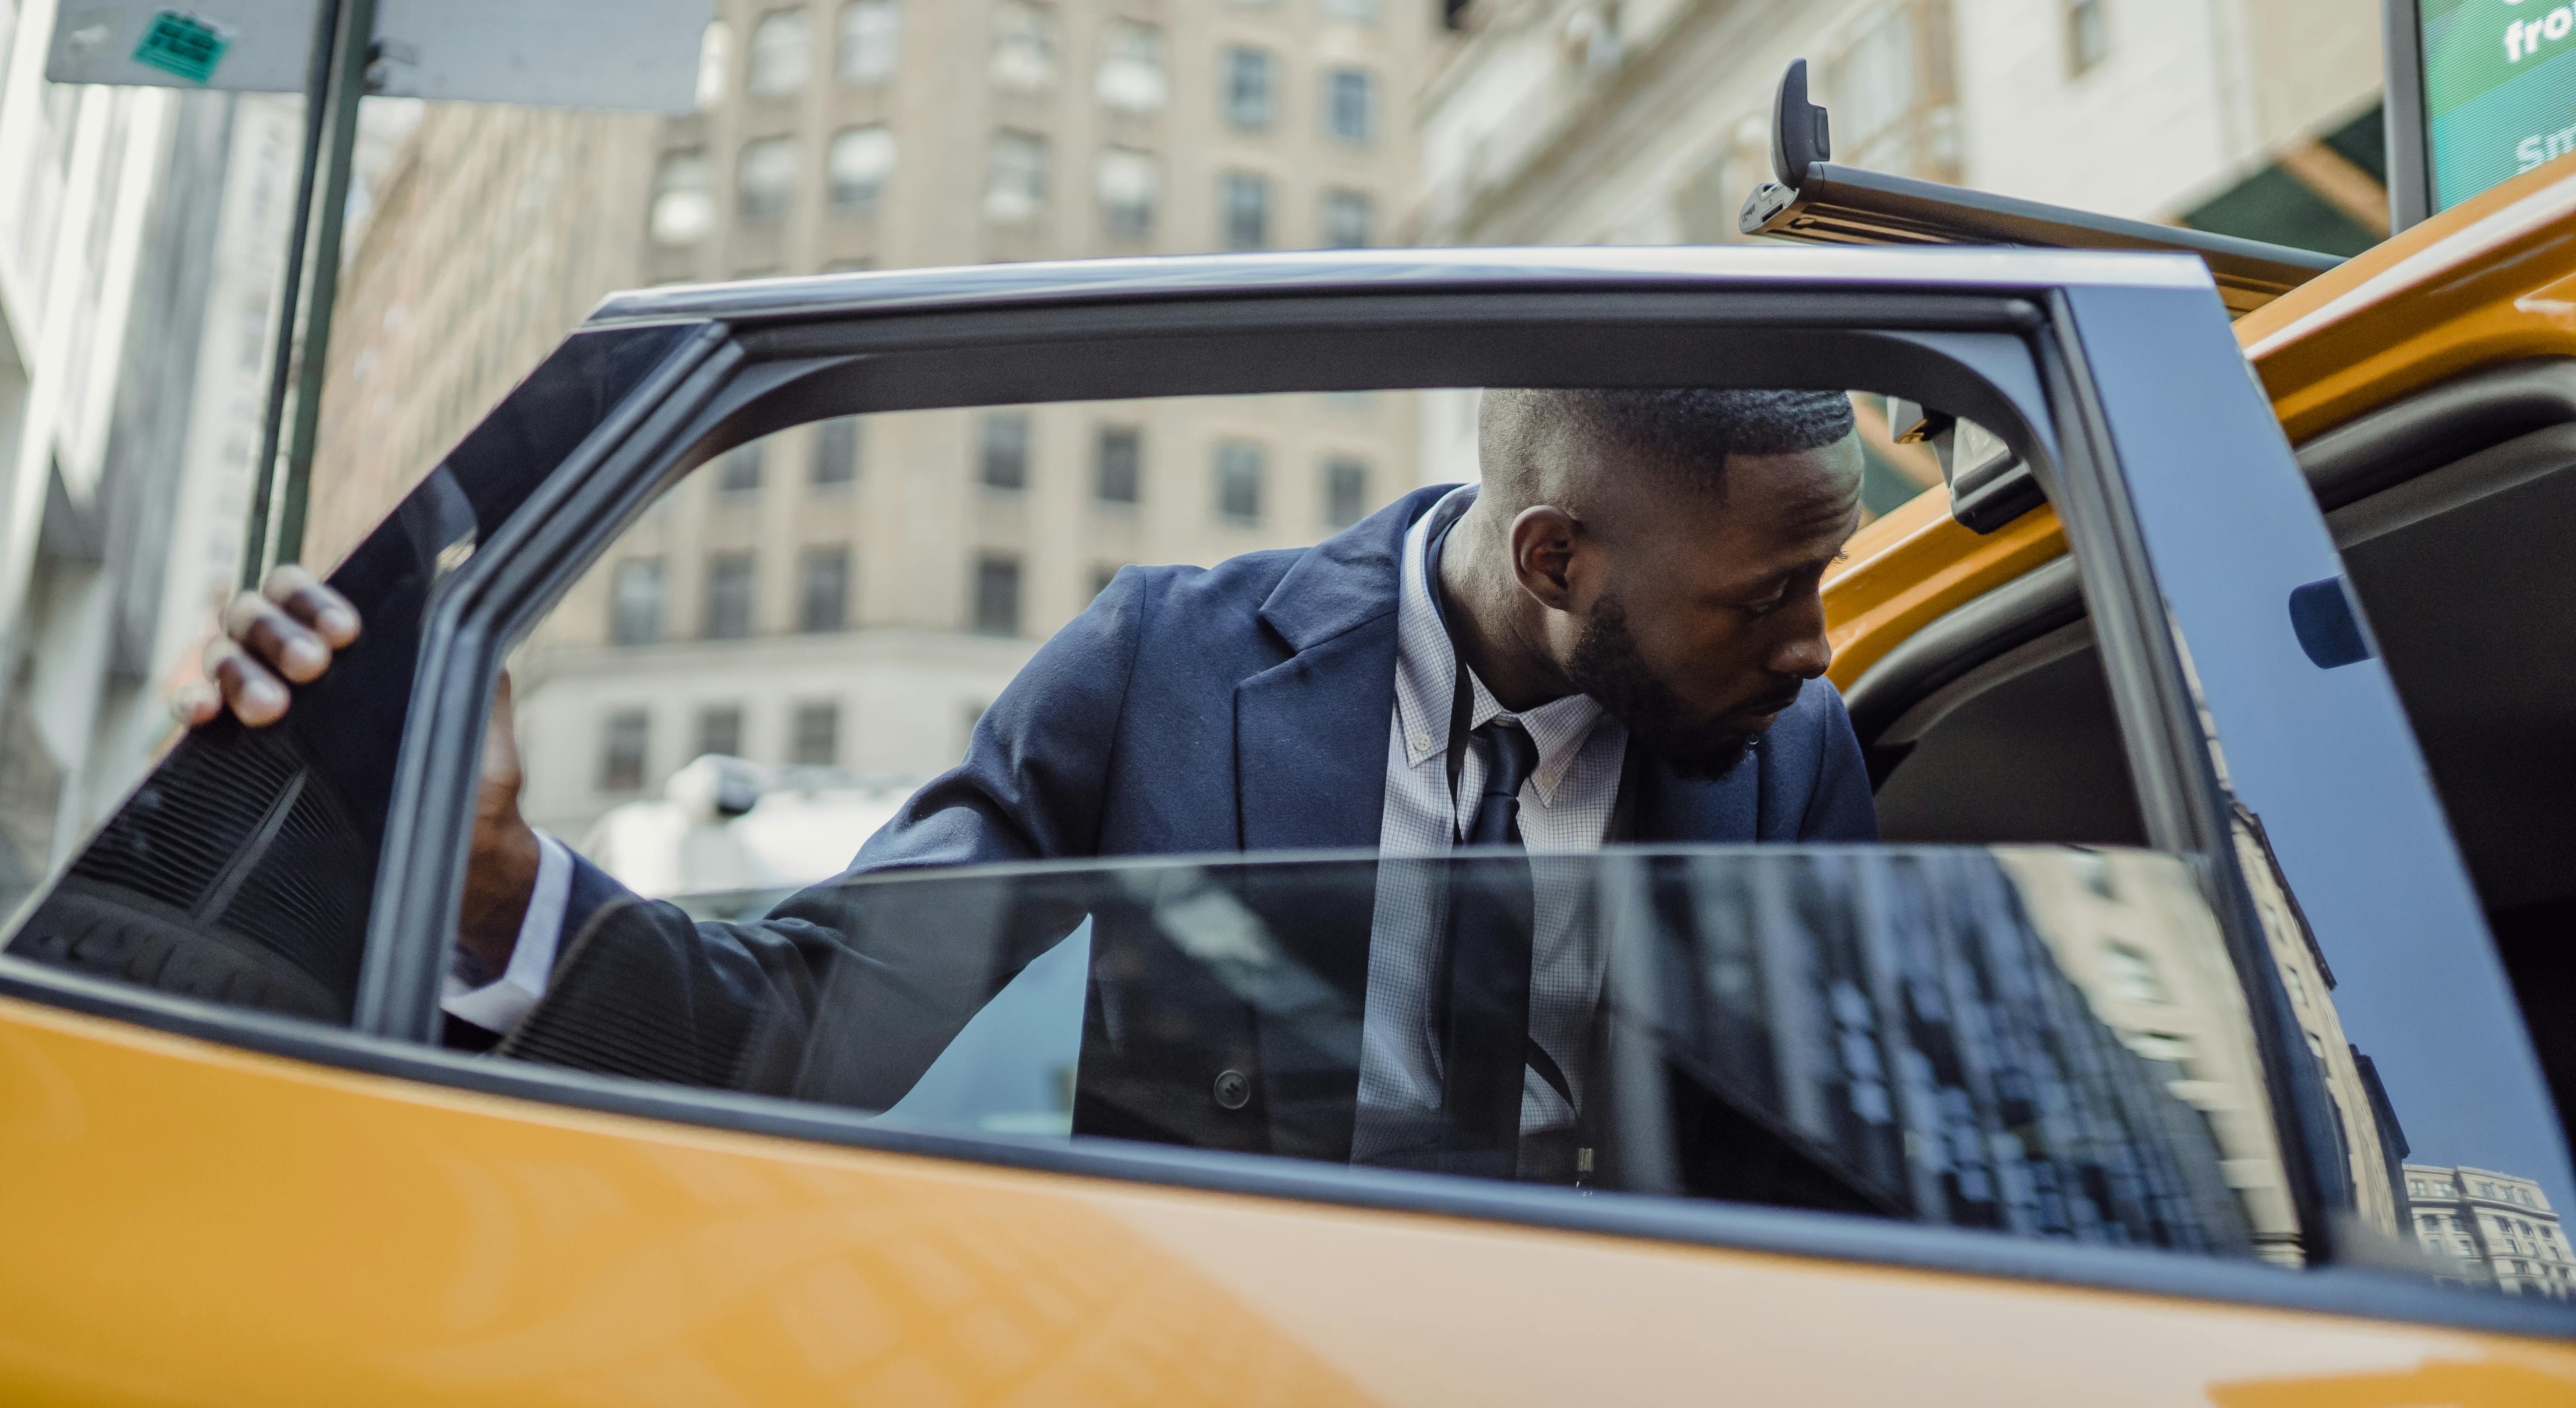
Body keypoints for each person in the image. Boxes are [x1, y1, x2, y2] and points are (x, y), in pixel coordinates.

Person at [187, 386, 1877, 1176]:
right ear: (1556, 556)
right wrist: (493, 880)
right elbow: (831, 1019)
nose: (1814, 649)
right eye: (1763, 599)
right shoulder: (1163, 665)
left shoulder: (1792, 752)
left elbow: (1864, 1151)